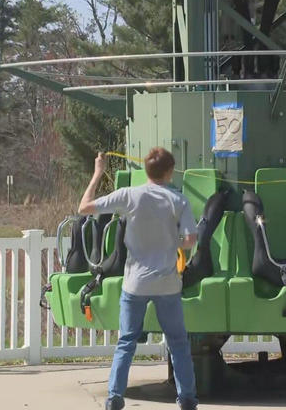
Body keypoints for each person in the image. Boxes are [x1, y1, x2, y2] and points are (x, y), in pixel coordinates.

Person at [78, 148, 199, 410]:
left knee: (127, 341)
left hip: (135, 283)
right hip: (167, 283)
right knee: (178, 342)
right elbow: (190, 241)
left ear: (146, 170)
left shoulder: (130, 196)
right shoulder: (178, 200)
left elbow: (84, 207)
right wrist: (172, 241)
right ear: (169, 172)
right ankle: (187, 398)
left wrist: (98, 171)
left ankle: (114, 397)